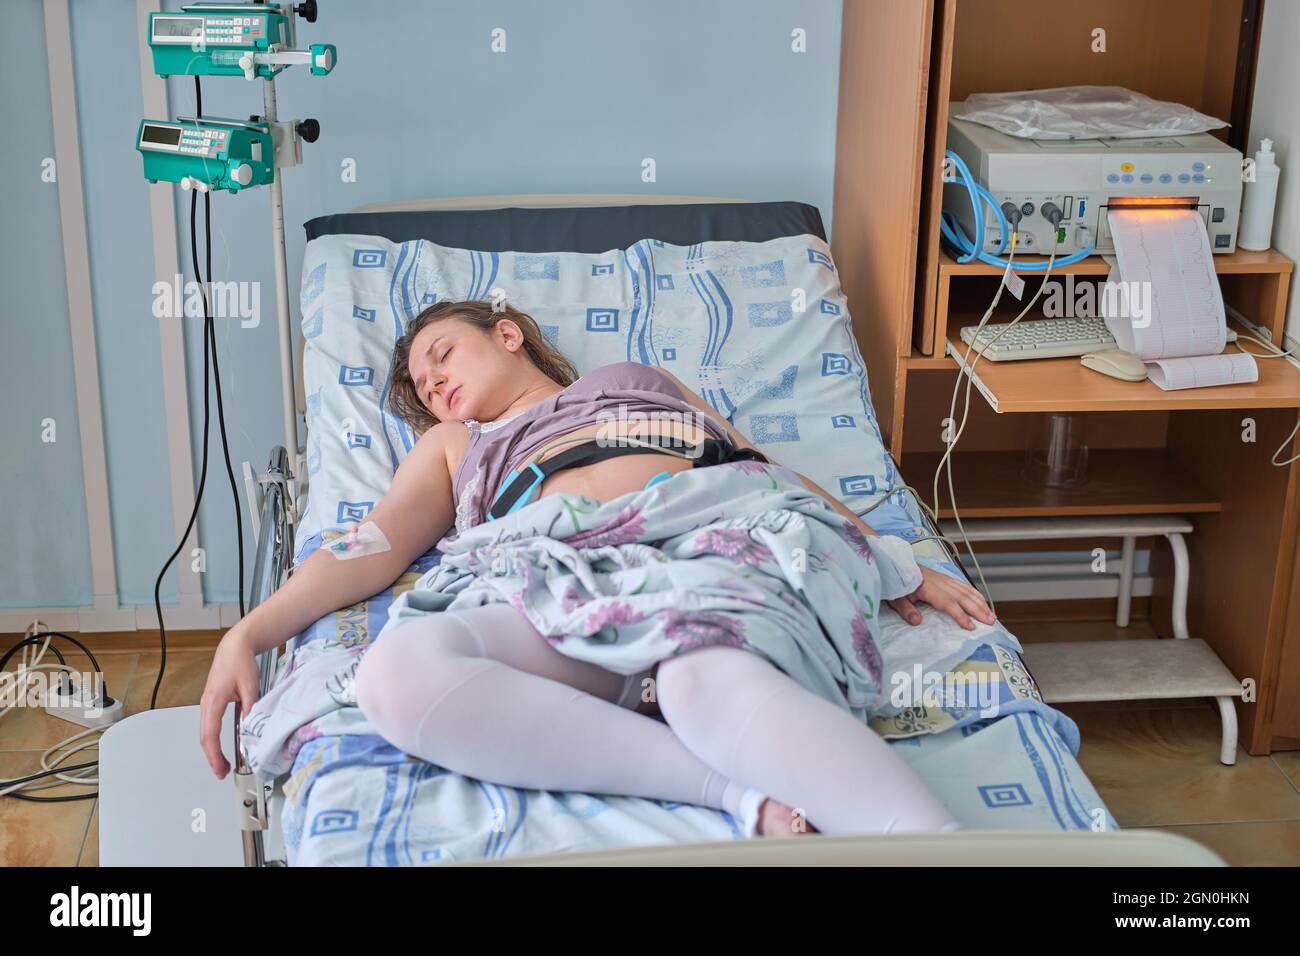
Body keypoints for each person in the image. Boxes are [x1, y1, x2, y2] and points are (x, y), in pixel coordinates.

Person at [201, 300, 996, 838]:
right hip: (563, 589)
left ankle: (940, 850)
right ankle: (731, 793)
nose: (434, 380)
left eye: (443, 353)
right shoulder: (456, 448)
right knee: (396, 673)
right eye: (422, 384)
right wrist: (248, 633)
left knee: (695, 681)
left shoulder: (635, 383)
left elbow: (765, 470)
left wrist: (894, 562)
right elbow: (368, 547)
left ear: (507, 333)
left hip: (704, 546)